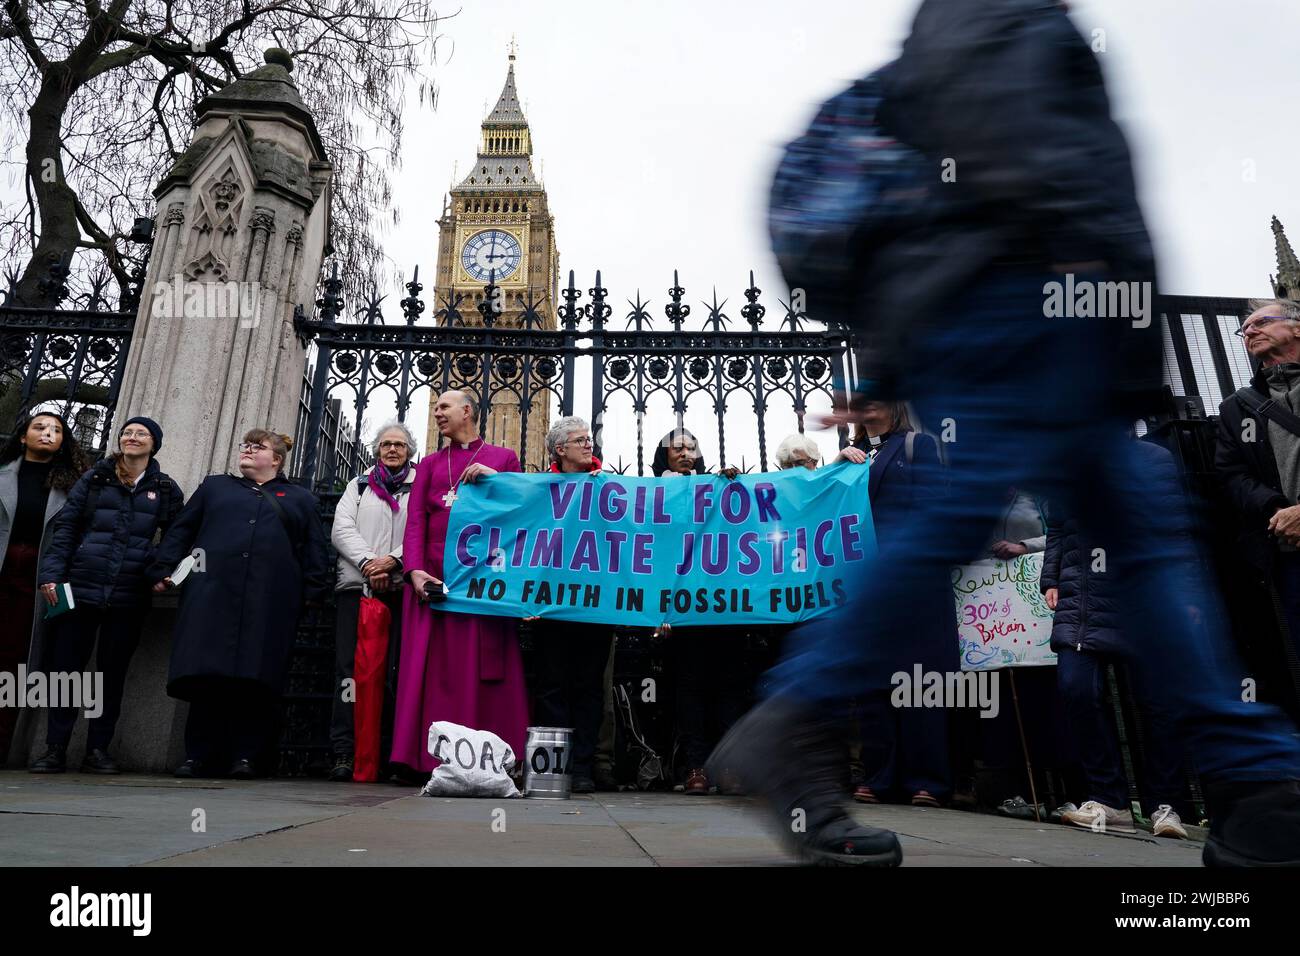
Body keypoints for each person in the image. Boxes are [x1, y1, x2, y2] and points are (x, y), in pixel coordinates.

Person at [711, 0, 1300, 867]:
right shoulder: (996, 11)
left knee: (1128, 527)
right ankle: (795, 713)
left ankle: (1254, 781)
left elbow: (934, 179)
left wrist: (894, 359)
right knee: (1072, 527)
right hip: (1033, 292)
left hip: (1003, 297)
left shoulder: (956, 25)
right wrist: (1089, 268)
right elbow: (1012, 138)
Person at [148, 429, 331, 779]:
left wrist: (312, 593)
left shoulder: (300, 499)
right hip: (211, 595)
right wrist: (162, 567)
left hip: (270, 601)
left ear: (275, 459)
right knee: (206, 679)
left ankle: (245, 756)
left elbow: (313, 549)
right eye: (245, 445)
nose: (247, 450)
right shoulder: (215, 487)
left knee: (256, 680)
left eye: (257, 446)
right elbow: (182, 530)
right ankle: (197, 754)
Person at [1042, 438, 1190, 839]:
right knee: (1075, 689)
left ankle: (1168, 805)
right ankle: (1108, 798)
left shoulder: (1153, 458)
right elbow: (1056, 527)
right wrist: (1050, 579)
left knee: (1158, 702)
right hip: (1082, 598)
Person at [28, 416, 183, 773]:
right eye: (127, 432)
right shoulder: (95, 478)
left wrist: (160, 571)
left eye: (141, 434)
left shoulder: (164, 487)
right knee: (67, 671)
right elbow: (66, 527)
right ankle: (54, 748)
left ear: (154, 444)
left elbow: (176, 537)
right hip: (80, 588)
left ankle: (97, 749)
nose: (132, 437)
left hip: (128, 594)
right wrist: (51, 575)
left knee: (110, 675)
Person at [390, 390, 528, 776]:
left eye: (444, 407)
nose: (437, 413)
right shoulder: (430, 465)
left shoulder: (502, 458)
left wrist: (498, 480)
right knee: (432, 669)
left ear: (467, 411)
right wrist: (414, 571)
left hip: (482, 583)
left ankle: (493, 755)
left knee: (482, 667)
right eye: (435, 407)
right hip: (433, 579)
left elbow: (523, 510)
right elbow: (416, 521)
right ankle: (426, 758)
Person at [843, 402, 956, 808]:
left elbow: (934, 506)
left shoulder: (917, 445)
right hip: (868, 584)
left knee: (919, 677)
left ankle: (927, 779)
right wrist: (841, 466)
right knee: (874, 682)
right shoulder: (853, 454)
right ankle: (879, 777)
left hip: (913, 581)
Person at [651, 427, 747, 794]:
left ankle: (729, 768)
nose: (686, 452)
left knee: (730, 687)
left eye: (692, 446)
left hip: (725, 606)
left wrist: (730, 482)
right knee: (689, 688)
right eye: (677, 448)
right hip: (683, 608)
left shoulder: (718, 485)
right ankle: (696, 767)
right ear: (665, 456)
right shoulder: (652, 492)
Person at [327, 421, 418, 782]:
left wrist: (393, 561)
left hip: (402, 591)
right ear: (377, 451)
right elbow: (341, 528)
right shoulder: (359, 484)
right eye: (385, 445)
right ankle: (345, 752)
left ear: (409, 450)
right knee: (350, 674)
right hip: (357, 589)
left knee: (396, 674)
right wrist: (369, 563)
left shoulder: (419, 484)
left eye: (398, 444)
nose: (392, 450)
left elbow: (421, 530)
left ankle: (390, 753)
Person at [1216, 298, 1300, 667]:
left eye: (1261, 322)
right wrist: (1278, 510)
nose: (1249, 331)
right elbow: (1232, 474)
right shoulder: (1238, 406)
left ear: (1297, 327)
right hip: (1290, 552)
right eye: (1244, 329)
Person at [529, 416, 611, 793]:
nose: (588, 445)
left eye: (589, 439)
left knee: (589, 686)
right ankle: (553, 764)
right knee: (551, 684)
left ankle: (582, 766)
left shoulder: (609, 488)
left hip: (596, 604)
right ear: (560, 450)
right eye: (580, 440)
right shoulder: (539, 489)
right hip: (551, 605)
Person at [0, 412, 87, 763]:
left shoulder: (73, 484)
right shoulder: (4, 474)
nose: (48, 433)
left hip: (38, 578)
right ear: (23, 436)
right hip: (3, 569)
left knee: (14, 661)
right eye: (40, 427)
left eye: (56, 430)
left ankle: (4, 743)